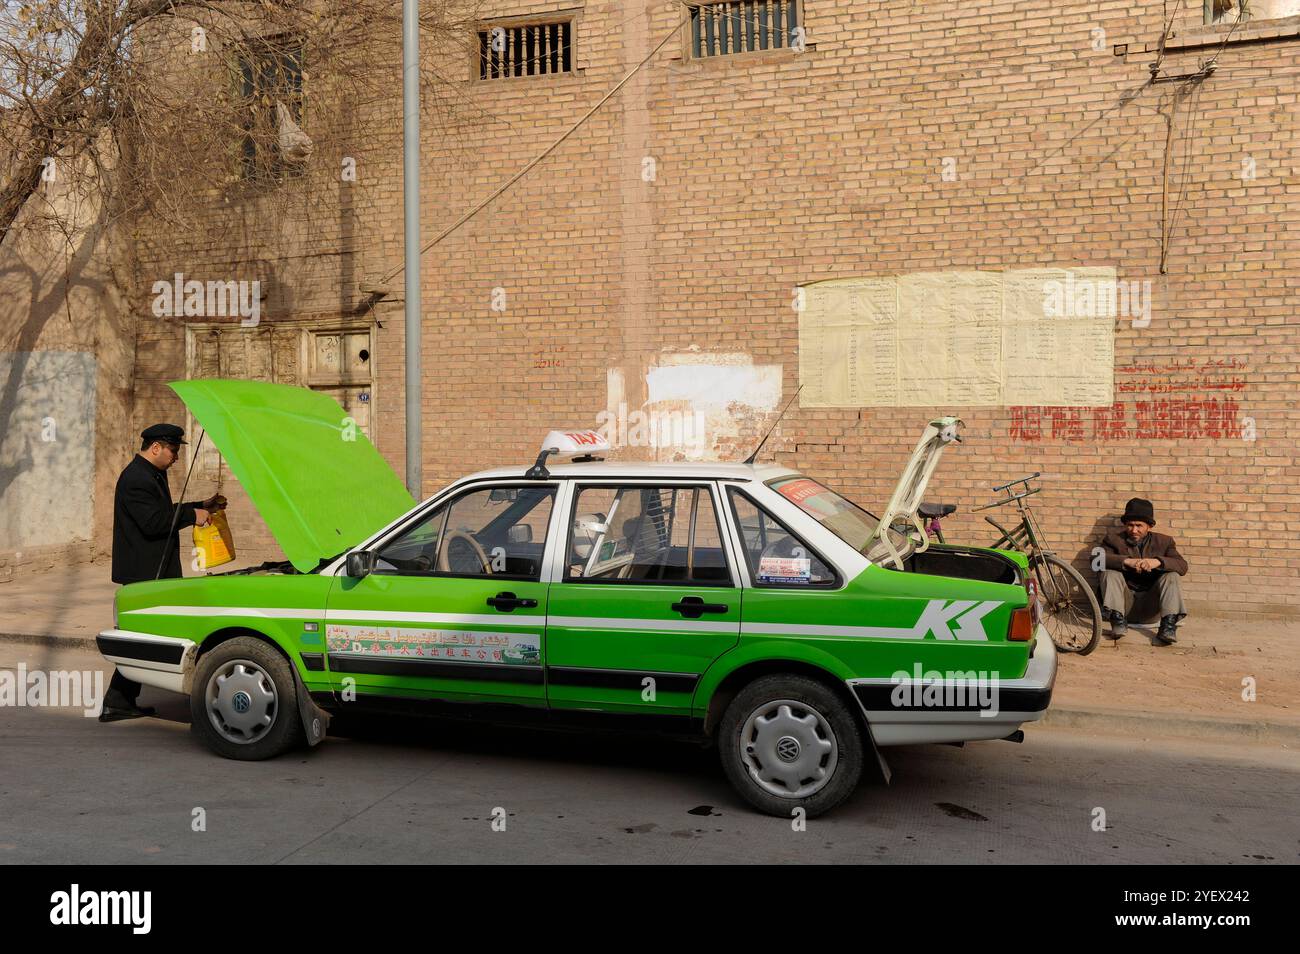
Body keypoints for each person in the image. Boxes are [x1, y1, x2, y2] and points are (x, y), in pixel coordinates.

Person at [102, 423, 225, 722]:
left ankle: (118, 702)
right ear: (155, 447)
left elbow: (162, 510)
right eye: (172, 450)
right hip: (144, 572)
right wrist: (192, 515)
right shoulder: (136, 478)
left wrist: (200, 506)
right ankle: (116, 701)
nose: (176, 457)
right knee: (145, 637)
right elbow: (154, 522)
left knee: (146, 637)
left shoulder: (151, 474)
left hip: (155, 570)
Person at [1097, 497, 1188, 646]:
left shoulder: (1164, 542)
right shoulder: (1113, 540)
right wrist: (1127, 561)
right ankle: (1118, 623)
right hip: (1123, 606)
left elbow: (1182, 566)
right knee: (1109, 572)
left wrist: (1158, 562)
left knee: (1172, 575)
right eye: (1130, 525)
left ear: (1149, 526)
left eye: (1139, 525)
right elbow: (1096, 560)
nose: (1134, 530)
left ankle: (1168, 627)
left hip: (1152, 607)